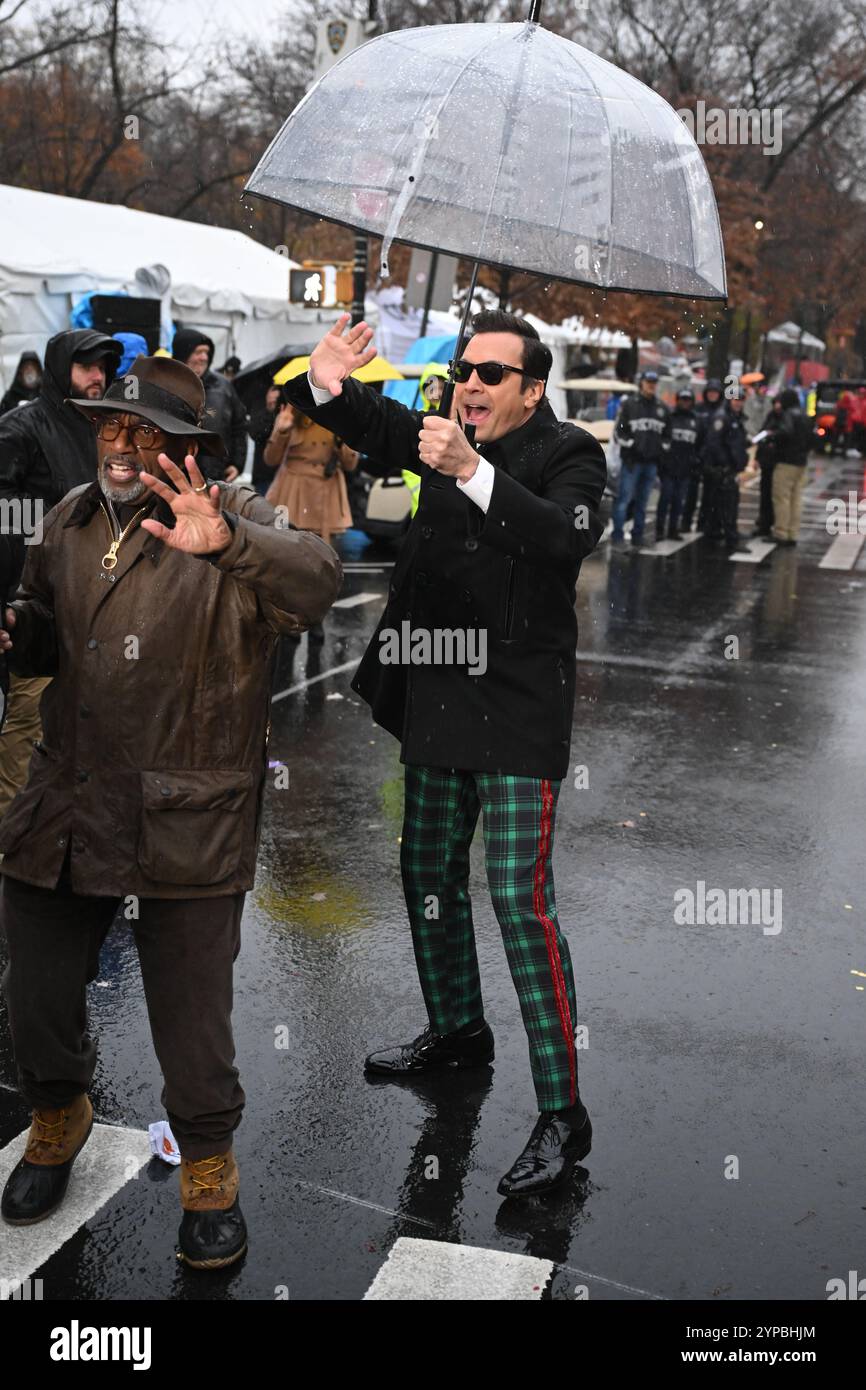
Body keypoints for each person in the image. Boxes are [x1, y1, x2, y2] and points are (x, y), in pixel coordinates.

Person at [0, 355, 341, 1268]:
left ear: (190, 447)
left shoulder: (238, 517)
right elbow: (43, 623)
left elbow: (316, 583)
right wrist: (19, 632)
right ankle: (58, 1112)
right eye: (113, 426)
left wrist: (226, 541)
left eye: (148, 432)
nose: (123, 444)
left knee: (192, 1018)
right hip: (68, 798)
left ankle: (209, 1166)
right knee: (34, 983)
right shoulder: (68, 519)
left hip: (187, 810)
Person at [284, 309, 606, 1199]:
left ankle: (561, 1115)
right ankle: (458, 1032)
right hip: (435, 694)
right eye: (464, 368)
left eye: (490, 374)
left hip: (515, 710)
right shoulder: (440, 427)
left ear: (531, 389)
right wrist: (327, 383)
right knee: (424, 872)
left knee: (519, 903)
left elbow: (564, 536)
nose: (468, 383)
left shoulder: (570, 452)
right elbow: (375, 427)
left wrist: (473, 472)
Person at [0, 329, 122, 822]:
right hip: (36, 608)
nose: (98, 378)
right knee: (28, 729)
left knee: (89, 729)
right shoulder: (22, 428)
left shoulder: (106, 429)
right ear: (59, 369)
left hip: (100, 607)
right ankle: (11, 846)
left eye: (103, 368)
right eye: (86, 367)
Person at [172, 330, 247, 483]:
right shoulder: (166, 383)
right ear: (183, 353)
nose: (204, 357)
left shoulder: (223, 387)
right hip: (173, 476)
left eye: (207, 352)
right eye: (198, 352)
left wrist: (237, 464)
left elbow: (239, 427)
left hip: (215, 477)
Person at [611, 369, 670, 546]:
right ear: (641, 382)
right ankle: (617, 536)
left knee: (643, 503)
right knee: (624, 499)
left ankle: (638, 536)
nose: (651, 385)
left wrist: (661, 448)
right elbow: (619, 431)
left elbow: (668, 434)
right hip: (632, 462)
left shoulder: (662, 408)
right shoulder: (629, 405)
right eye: (648, 381)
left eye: (654, 382)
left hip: (651, 463)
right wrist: (631, 445)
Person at [702, 386, 750, 554]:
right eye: (736, 399)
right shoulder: (723, 417)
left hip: (728, 466)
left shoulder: (734, 417)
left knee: (720, 503)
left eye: (741, 400)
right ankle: (730, 537)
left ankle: (715, 532)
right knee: (729, 504)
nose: (739, 403)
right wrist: (726, 464)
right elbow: (714, 443)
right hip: (723, 468)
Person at [403, 364, 449, 518]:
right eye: (432, 387)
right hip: (419, 506)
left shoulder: (453, 420)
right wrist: (419, 488)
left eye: (441, 387)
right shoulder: (416, 418)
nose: (436, 392)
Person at [657, 387, 701, 541]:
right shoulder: (670, 417)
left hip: (686, 468)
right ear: (677, 400)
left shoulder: (696, 420)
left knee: (679, 501)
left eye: (688, 400)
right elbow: (661, 439)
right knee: (665, 499)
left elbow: (700, 443)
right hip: (668, 467)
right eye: (682, 399)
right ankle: (659, 529)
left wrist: (696, 461)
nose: (685, 403)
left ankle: (673, 529)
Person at [771, 387, 813, 545]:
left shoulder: (788, 415)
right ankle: (793, 533)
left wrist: (774, 439)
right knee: (796, 499)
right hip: (801, 462)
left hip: (786, 461)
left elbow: (785, 432)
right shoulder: (805, 415)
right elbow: (813, 438)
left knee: (782, 497)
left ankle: (781, 532)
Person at [688, 378, 723, 534]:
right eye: (710, 392)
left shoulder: (722, 412)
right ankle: (686, 521)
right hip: (696, 456)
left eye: (715, 392)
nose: (712, 395)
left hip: (713, 459)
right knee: (691, 494)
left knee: (711, 495)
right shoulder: (698, 409)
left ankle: (705, 522)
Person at [752, 395, 783, 538]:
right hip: (766, 462)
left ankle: (770, 522)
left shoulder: (785, 419)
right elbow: (762, 436)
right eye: (775, 403)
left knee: (774, 496)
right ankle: (764, 523)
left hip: (777, 462)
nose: (777, 406)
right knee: (765, 494)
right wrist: (758, 457)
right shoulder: (771, 416)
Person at [248, 383, 281, 496]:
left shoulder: (286, 411)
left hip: (284, 472)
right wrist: (270, 411)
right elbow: (255, 433)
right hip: (264, 474)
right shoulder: (260, 408)